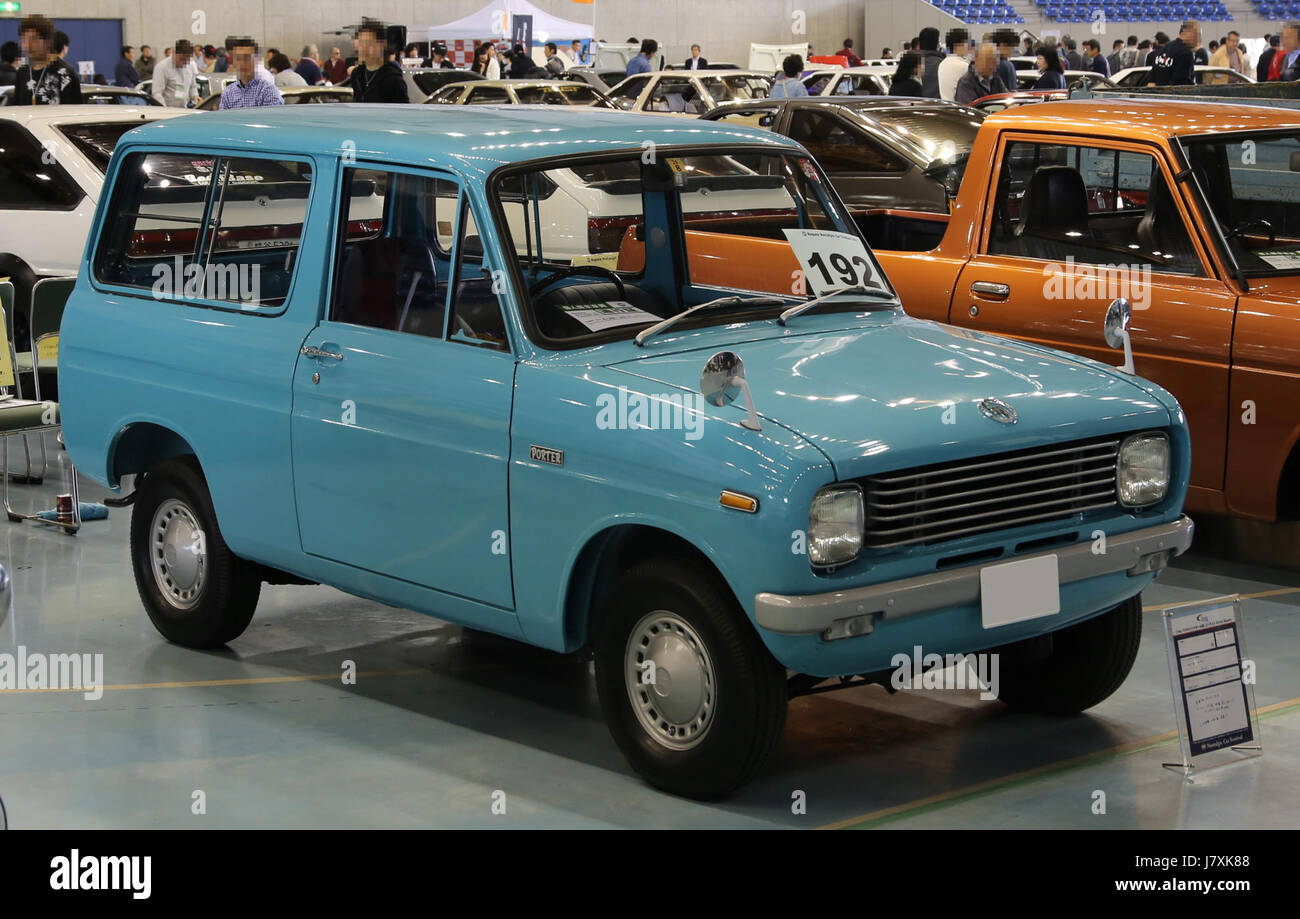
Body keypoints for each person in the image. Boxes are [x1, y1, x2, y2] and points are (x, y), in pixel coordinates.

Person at [12, 15, 81, 104]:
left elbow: (74, 111)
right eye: (24, 39)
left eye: (34, 39)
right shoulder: (22, 72)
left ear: (48, 41)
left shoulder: (64, 73)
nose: (28, 45)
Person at [348, 19, 409, 102]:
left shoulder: (393, 79)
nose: (363, 48)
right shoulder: (357, 74)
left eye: (368, 43)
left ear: (382, 45)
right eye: (360, 43)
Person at [218, 37, 283, 108]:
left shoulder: (268, 91)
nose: (242, 63)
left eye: (247, 58)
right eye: (238, 58)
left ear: (257, 60)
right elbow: (224, 118)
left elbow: (271, 118)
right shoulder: (228, 93)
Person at [1148, 21, 1198, 85]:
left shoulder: (1164, 48)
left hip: (1159, 92)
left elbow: (1151, 81)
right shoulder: (1186, 52)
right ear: (1186, 32)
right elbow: (1182, 83)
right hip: (1175, 93)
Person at [152, 38, 198, 106]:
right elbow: (157, 93)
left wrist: (195, 96)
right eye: (181, 59)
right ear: (174, 53)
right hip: (168, 109)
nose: (184, 63)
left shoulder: (190, 65)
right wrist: (165, 110)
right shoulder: (162, 67)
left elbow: (193, 86)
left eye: (187, 59)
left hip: (184, 109)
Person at [937, 28, 970, 101]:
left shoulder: (942, 64)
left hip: (946, 106)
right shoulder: (964, 66)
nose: (968, 46)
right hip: (960, 108)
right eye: (966, 42)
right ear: (958, 45)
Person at [917, 27, 944, 98]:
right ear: (937, 44)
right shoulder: (941, 64)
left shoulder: (908, 63)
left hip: (913, 106)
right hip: (937, 106)